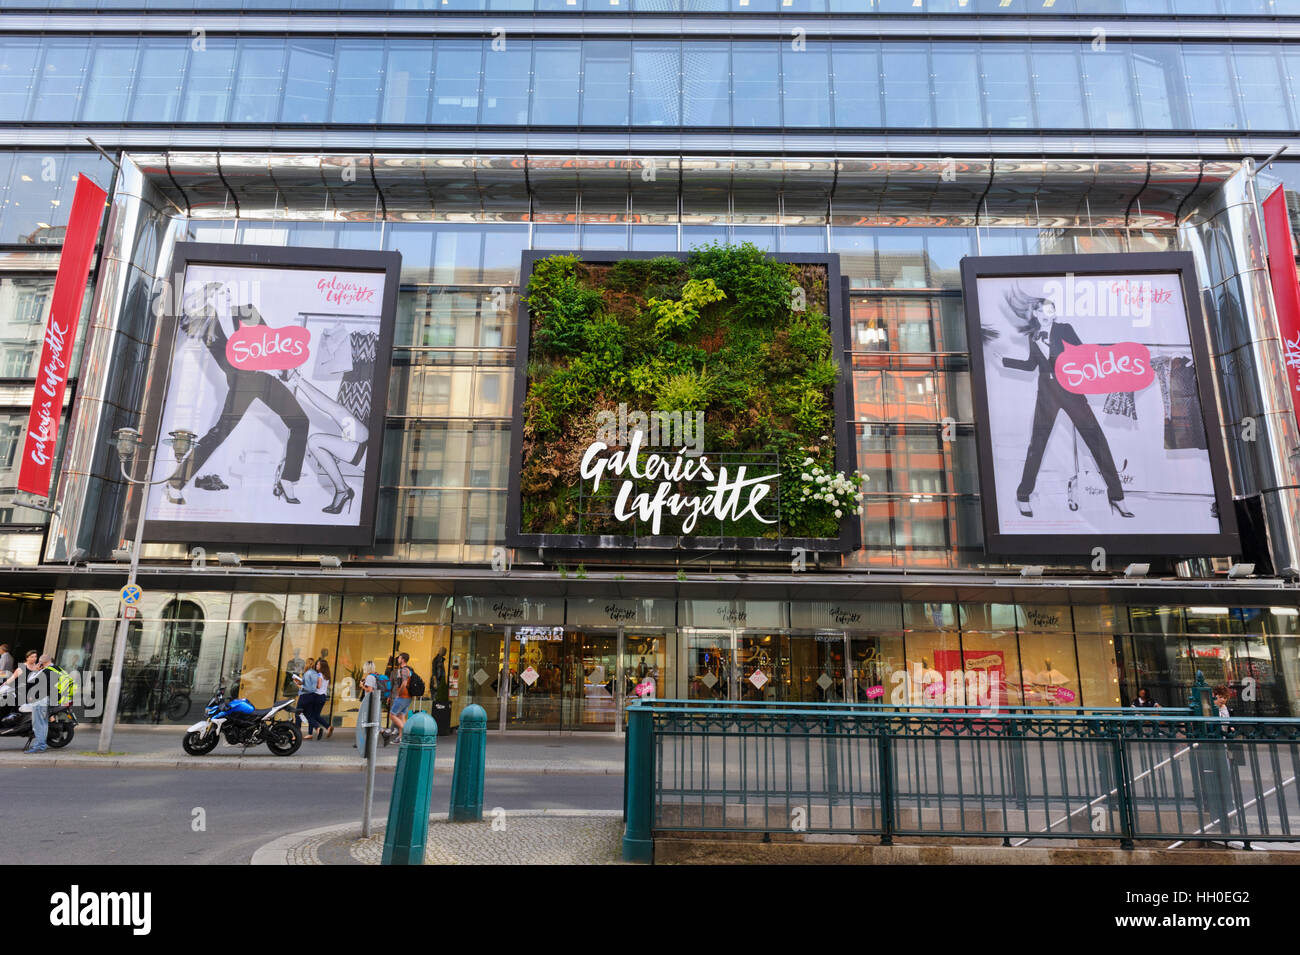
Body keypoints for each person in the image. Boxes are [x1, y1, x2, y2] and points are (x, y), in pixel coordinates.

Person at [165, 284, 311, 506]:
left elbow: (270, 342)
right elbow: (188, 309)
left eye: (227, 293)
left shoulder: (246, 311)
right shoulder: (207, 321)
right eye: (217, 293)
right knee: (218, 434)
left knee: (300, 422)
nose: (225, 296)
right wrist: (206, 291)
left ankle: (288, 480)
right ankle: (175, 483)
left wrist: (285, 369)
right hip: (240, 385)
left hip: (264, 378)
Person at [998, 287, 1132, 520]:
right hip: (1047, 395)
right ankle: (1023, 495)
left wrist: (1111, 352)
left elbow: (1082, 354)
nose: (1048, 314)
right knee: (1036, 446)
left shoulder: (1064, 329)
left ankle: (1117, 496)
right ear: (1037, 315)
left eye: (1051, 310)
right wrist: (1004, 360)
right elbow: (1031, 365)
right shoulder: (1033, 336)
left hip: (1071, 391)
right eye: (1043, 311)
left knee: (1097, 440)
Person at [283, 367, 370, 515]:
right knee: (337, 411)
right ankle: (296, 378)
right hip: (373, 441)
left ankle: (342, 490)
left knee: (315, 440)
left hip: (372, 456)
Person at [386, 652, 412, 743]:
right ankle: (401, 737)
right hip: (407, 697)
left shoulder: (404, 670)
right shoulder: (409, 669)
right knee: (401, 716)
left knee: (392, 715)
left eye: (399, 658)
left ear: (403, 660)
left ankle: (406, 732)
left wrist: (398, 694)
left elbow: (404, 683)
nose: (398, 659)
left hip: (402, 696)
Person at [354, 661, 380, 755]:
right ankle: (368, 740)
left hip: (368, 701)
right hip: (373, 701)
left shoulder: (369, 677)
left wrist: (362, 686)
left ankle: (362, 742)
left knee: (363, 721)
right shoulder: (375, 676)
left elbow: (369, 690)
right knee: (369, 722)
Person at [292, 657, 317, 736]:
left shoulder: (307, 673)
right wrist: (301, 682)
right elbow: (311, 686)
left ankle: (297, 734)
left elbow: (308, 688)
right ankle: (317, 729)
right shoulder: (314, 673)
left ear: (307, 663)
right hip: (312, 696)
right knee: (309, 714)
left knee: (298, 714)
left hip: (304, 696)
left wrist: (299, 685)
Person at [313, 658, 333, 739]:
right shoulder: (327, 676)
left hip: (317, 696)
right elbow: (325, 687)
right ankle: (328, 727)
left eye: (318, 664)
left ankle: (319, 729)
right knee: (316, 715)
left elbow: (319, 686)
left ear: (322, 666)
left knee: (312, 715)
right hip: (323, 697)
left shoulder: (319, 675)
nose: (316, 665)